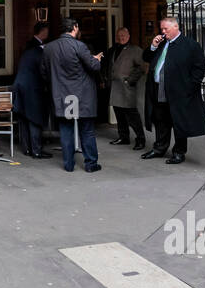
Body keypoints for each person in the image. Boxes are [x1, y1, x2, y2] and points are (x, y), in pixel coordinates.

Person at [142, 16, 205, 164]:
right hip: (158, 89)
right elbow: (146, 57)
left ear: (176, 27)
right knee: (160, 120)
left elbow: (199, 68)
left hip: (179, 92)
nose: (163, 32)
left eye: (166, 29)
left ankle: (179, 152)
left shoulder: (190, 45)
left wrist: (189, 87)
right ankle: (159, 148)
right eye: (162, 29)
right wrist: (152, 46)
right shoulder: (161, 43)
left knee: (178, 121)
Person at [45, 17, 103, 173]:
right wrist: (96, 59)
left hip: (62, 95)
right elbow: (93, 67)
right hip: (83, 95)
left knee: (66, 130)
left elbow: (44, 72)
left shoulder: (49, 48)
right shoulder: (80, 46)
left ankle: (68, 164)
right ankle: (90, 164)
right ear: (75, 27)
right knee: (87, 131)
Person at [12, 22, 52, 158]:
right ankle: (36, 150)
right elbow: (43, 72)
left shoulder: (28, 51)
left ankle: (27, 149)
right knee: (35, 118)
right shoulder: (38, 51)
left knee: (24, 118)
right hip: (32, 89)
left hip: (20, 86)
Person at [104, 26, 146, 150]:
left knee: (132, 116)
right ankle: (124, 137)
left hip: (127, 88)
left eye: (123, 36)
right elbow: (107, 65)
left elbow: (141, 68)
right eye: (119, 36)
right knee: (119, 114)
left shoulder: (135, 50)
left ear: (128, 37)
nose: (121, 38)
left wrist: (130, 80)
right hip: (114, 88)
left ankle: (140, 139)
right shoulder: (113, 49)